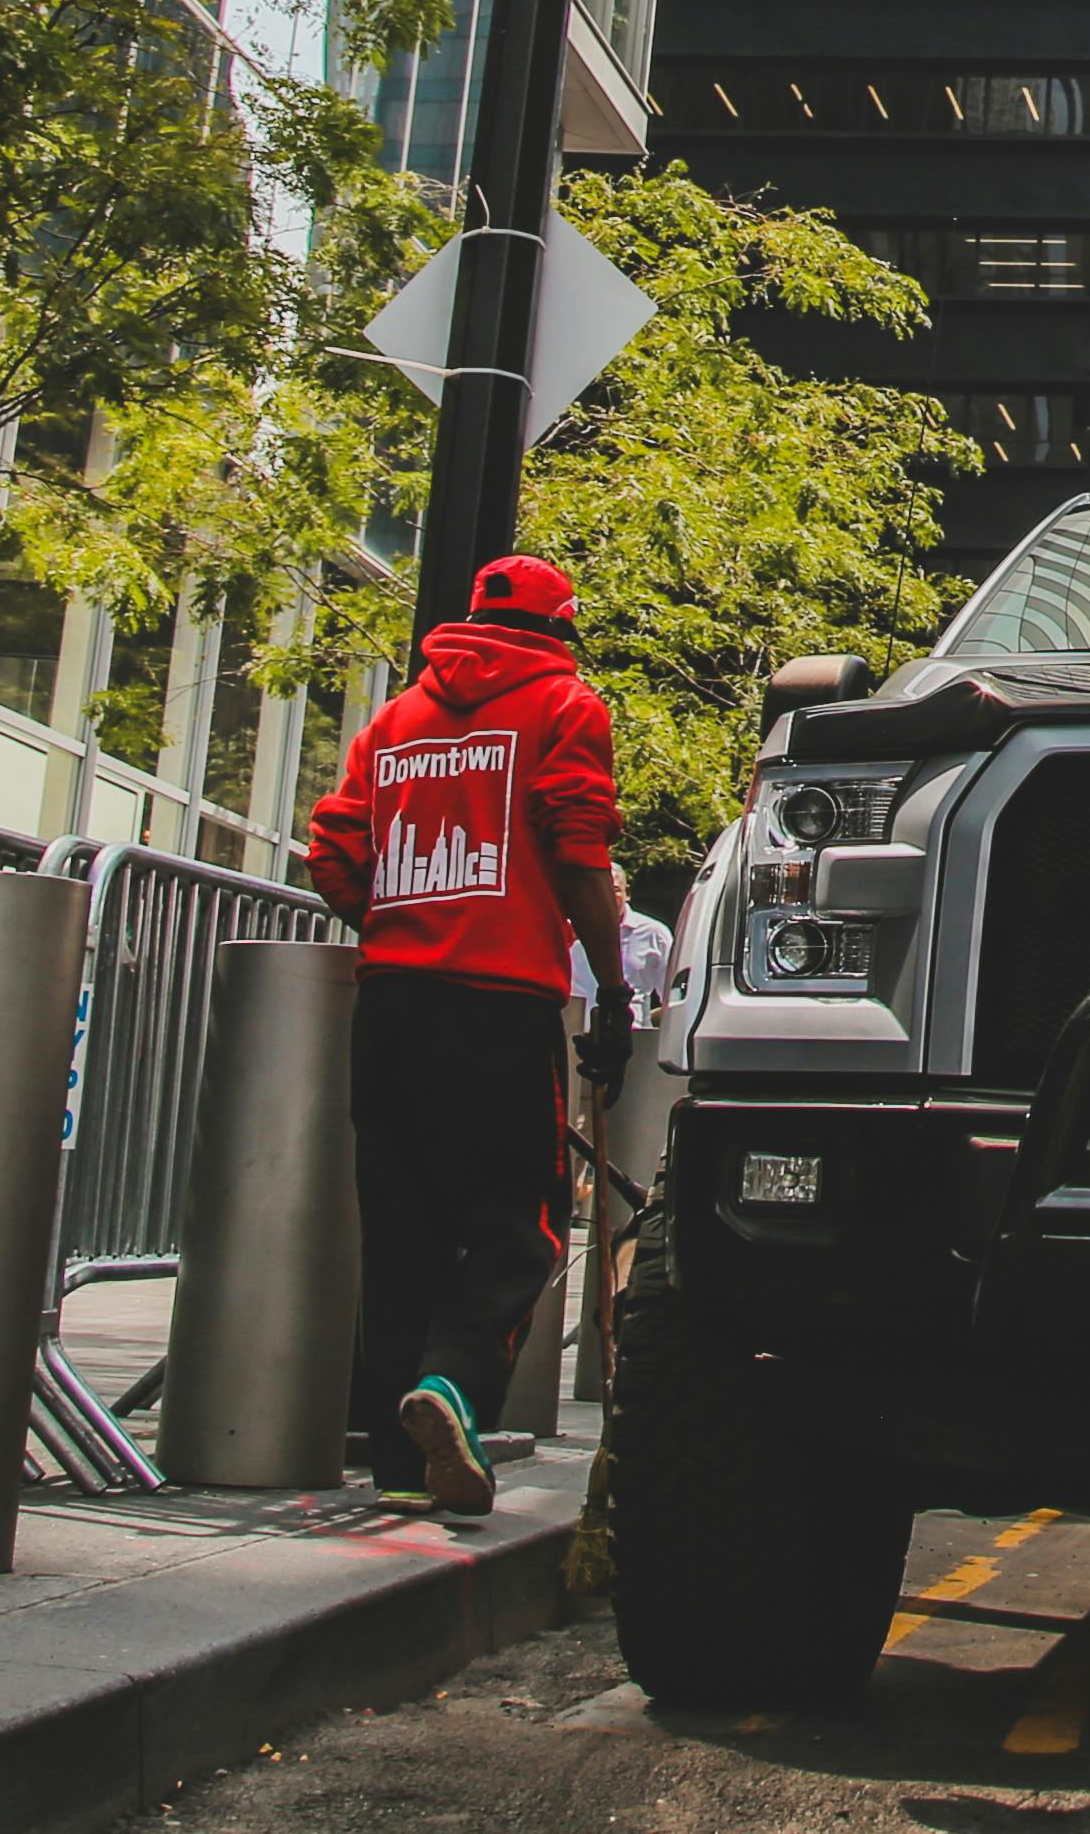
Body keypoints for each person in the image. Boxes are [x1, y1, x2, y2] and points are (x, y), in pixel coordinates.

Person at [302, 551, 645, 1515]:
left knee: (402, 1229)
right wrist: (612, 993)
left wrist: (395, 921)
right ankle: (451, 1383)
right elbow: (580, 851)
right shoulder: (566, 706)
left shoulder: (397, 720)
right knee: (519, 1229)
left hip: (392, 1006)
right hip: (497, 1004)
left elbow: (331, 847)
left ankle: (403, 1468)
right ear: (560, 628)